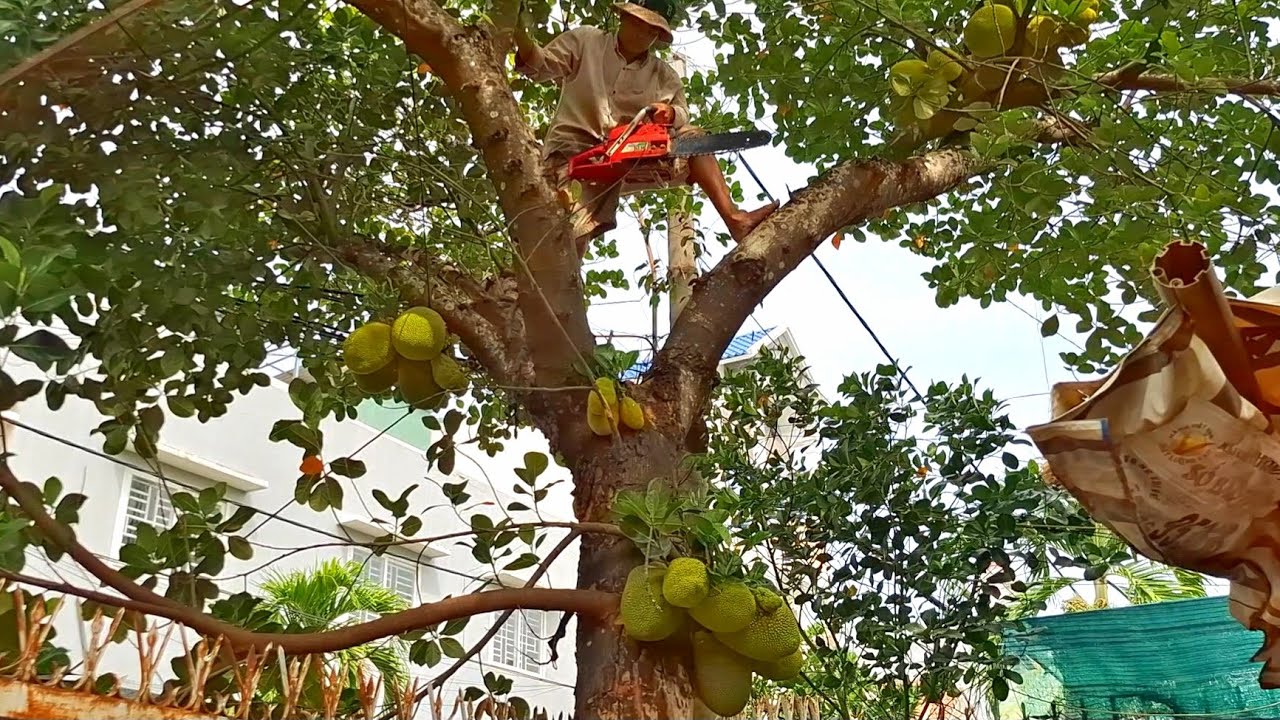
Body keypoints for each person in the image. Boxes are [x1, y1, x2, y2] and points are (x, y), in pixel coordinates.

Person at [513, 0, 778, 257]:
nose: (645, 33)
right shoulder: (586, 41)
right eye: (641, 23)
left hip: (628, 155)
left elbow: (682, 114)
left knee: (694, 140)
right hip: (573, 150)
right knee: (570, 228)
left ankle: (735, 219)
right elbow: (539, 64)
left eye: (653, 30)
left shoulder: (663, 75)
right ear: (625, 17)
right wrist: (516, 29)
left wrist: (670, 113)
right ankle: (552, 281)